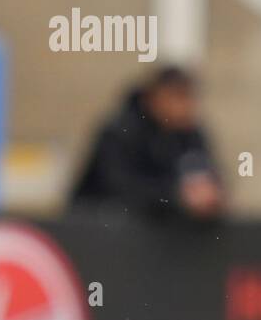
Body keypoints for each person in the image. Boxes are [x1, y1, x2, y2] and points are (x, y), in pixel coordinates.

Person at [69, 65, 224, 220]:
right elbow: (120, 188)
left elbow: (210, 177)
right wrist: (176, 197)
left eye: (190, 97)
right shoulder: (121, 131)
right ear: (153, 99)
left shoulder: (191, 134)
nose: (185, 106)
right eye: (177, 97)